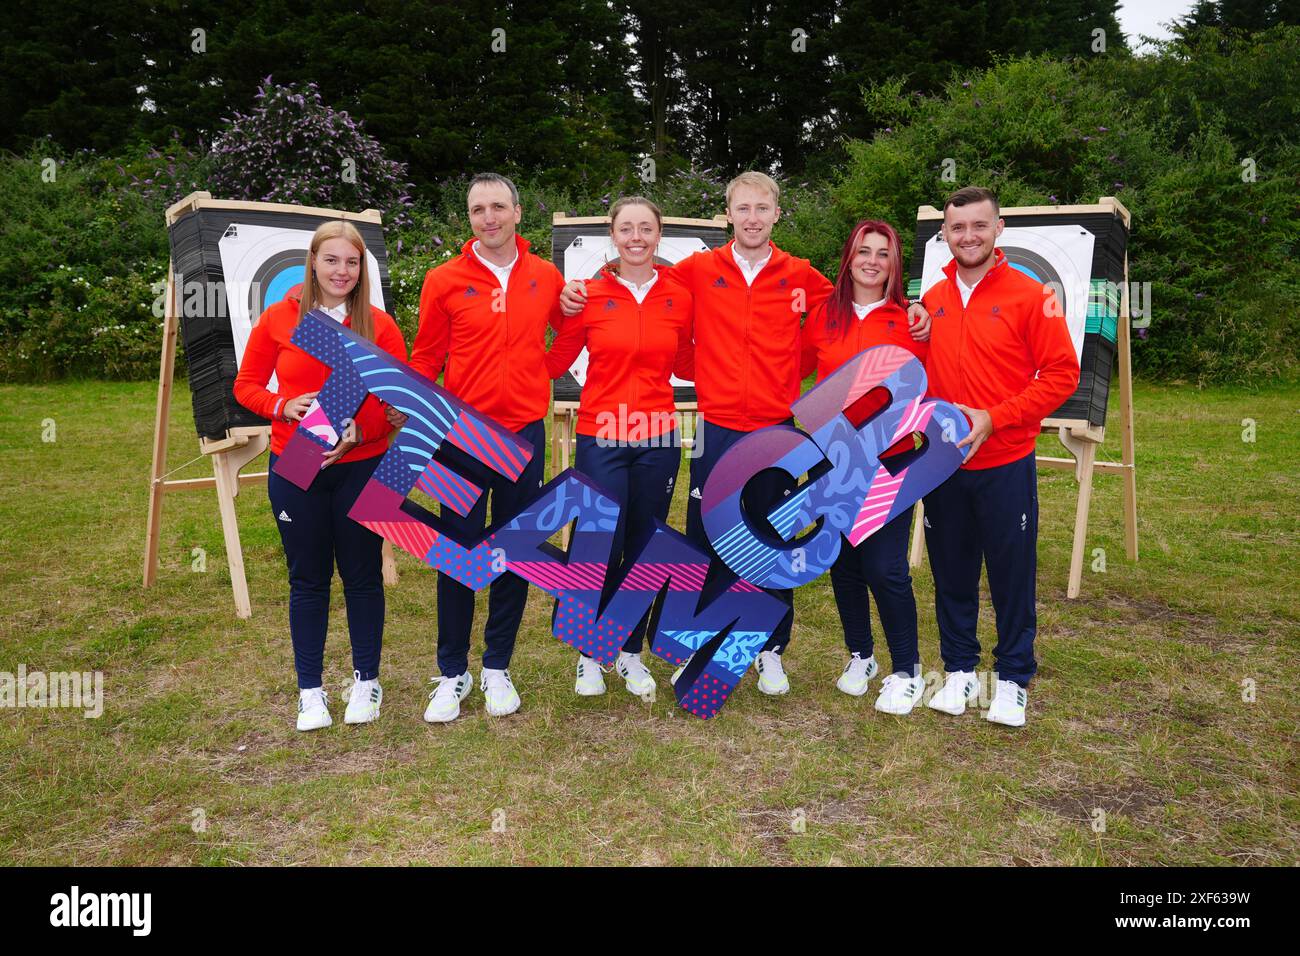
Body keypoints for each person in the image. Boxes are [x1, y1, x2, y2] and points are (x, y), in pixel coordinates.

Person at [562, 171, 931, 697]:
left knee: (774, 538)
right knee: (707, 538)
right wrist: (580, 289)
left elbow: (857, 302)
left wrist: (913, 310)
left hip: (778, 433)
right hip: (715, 428)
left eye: (763, 208)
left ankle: (769, 650)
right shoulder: (695, 271)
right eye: (743, 209)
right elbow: (637, 276)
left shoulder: (803, 276)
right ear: (728, 215)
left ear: (776, 214)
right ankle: (701, 645)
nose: (753, 218)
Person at [233, 221, 407, 731]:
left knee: (362, 575)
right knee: (307, 579)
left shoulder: (379, 325)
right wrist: (284, 406)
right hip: (299, 462)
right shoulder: (280, 317)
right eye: (331, 260)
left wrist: (363, 426)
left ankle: (366, 683)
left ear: (362, 269)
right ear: (312, 262)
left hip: (363, 465)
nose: (342, 271)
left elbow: (397, 406)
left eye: (352, 262)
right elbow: (246, 386)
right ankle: (310, 691)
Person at [405, 173, 565, 723]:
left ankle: (497, 665)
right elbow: (426, 356)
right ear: (469, 217)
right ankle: (452, 672)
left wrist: (537, 376)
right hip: (459, 435)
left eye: (499, 206)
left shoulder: (546, 275)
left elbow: (567, 338)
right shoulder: (443, 278)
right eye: (478, 209)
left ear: (519, 213)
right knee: (457, 552)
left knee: (515, 550)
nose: (489, 217)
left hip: (523, 432)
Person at [920, 186, 1080, 727]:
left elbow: (1062, 374)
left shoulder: (1031, 294)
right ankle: (960, 669)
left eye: (978, 225)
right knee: (951, 569)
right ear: (945, 234)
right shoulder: (933, 298)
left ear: (998, 228)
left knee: (1012, 572)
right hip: (943, 464)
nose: (968, 236)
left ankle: (1012, 677)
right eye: (957, 227)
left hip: (1006, 459)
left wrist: (997, 417)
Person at [544, 196, 693, 700]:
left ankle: (629, 652)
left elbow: (693, 361)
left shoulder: (680, 295)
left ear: (658, 235)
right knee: (597, 543)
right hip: (601, 435)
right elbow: (553, 359)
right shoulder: (588, 294)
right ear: (612, 234)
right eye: (626, 228)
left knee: (643, 545)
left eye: (646, 228)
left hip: (658, 438)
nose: (636, 237)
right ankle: (590, 654)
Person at [798, 219, 928, 714]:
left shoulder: (912, 321)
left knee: (885, 566)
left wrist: (902, 455)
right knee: (844, 562)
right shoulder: (823, 316)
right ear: (848, 258)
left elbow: (926, 399)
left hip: (888, 464)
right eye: (863, 251)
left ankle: (907, 670)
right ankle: (861, 655)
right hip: (833, 460)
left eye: (883, 253)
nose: (872, 261)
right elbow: (802, 377)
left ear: (895, 263)